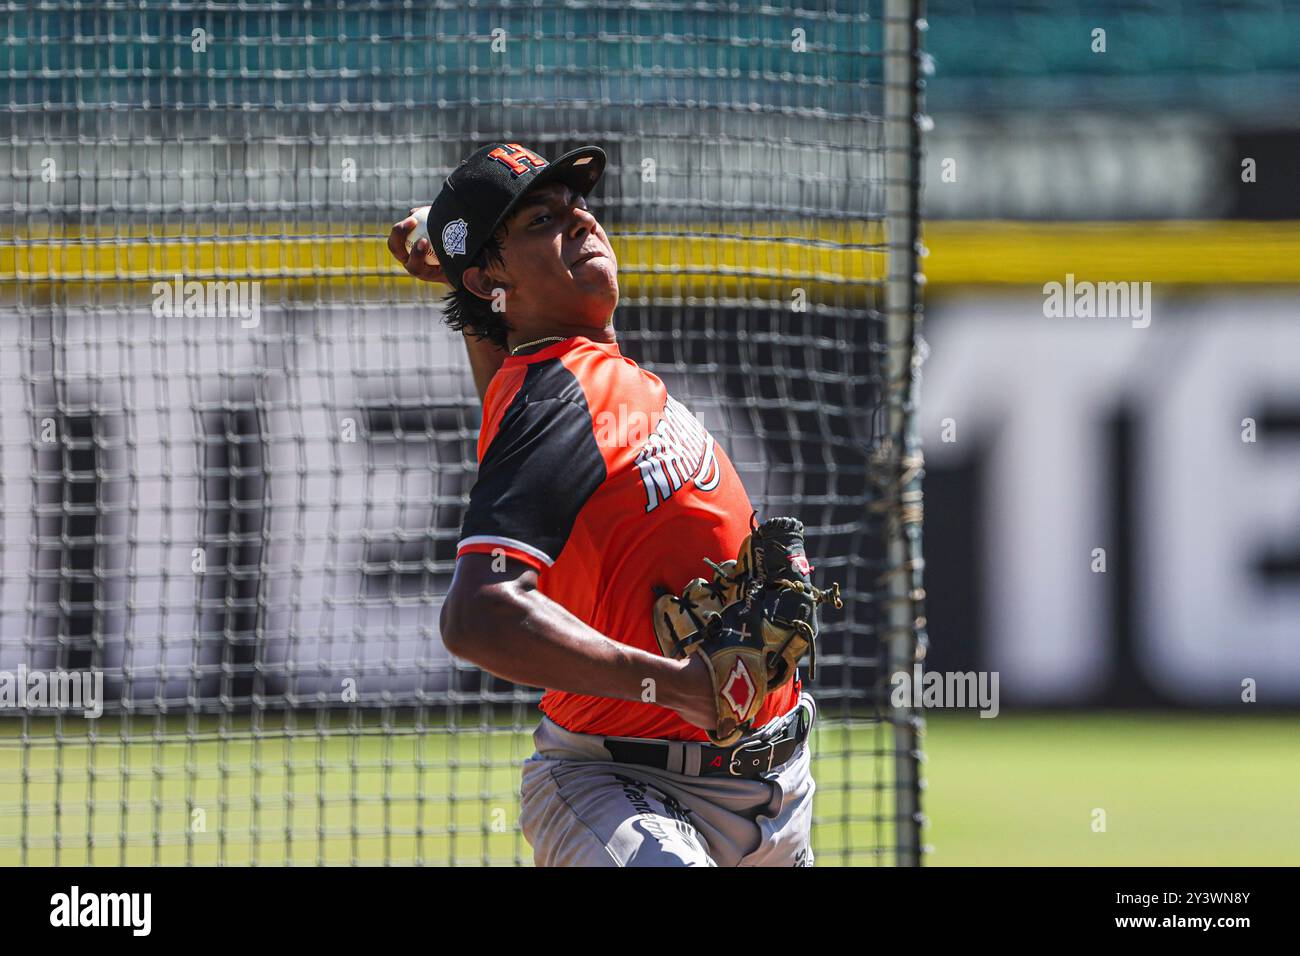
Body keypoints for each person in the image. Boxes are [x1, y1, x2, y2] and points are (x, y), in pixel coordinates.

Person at [387, 142, 816, 866]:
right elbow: (478, 615)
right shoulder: (562, 391)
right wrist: (672, 684)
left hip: (775, 786)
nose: (581, 219)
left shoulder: (566, 377)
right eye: (542, 219)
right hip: (625, 783)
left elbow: (516, 374)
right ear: (493, 274)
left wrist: (468, 281)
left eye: (577, 203)